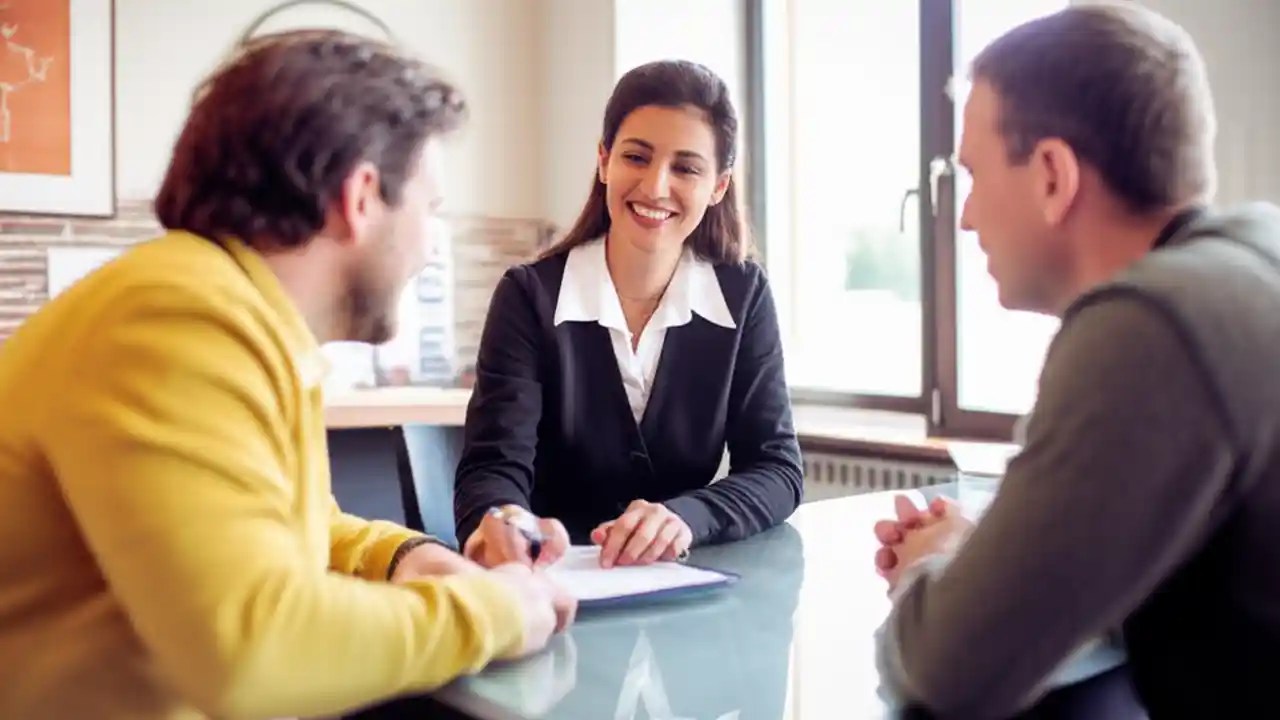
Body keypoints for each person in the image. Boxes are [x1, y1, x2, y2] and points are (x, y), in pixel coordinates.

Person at [0, 30, 574, 720]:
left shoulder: (221, 310)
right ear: (360, 197)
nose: (429, 244)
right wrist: (499, 607)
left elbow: (288, 526)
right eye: (432, 210)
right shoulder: (181, 320)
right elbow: (251, 649)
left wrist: (406, 558)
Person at [872, 4, 1280, 717]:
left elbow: (944, 673)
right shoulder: (1252, 259)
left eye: (973, 174)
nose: (964, 216)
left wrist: (928, 571)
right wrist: (984, 559)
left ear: (1054, 176)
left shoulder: (1151, 326)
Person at [454, 59, 803, 571]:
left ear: (719, 186)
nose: (656, 186)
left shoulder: (743, 294)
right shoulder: (528, 297)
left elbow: (777, 469)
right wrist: (505, 523)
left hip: (684, 596)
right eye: (636, 157)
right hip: (554, 586)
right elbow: (492, 469)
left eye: (685, 168)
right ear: (604, 162)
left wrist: (687, 517)